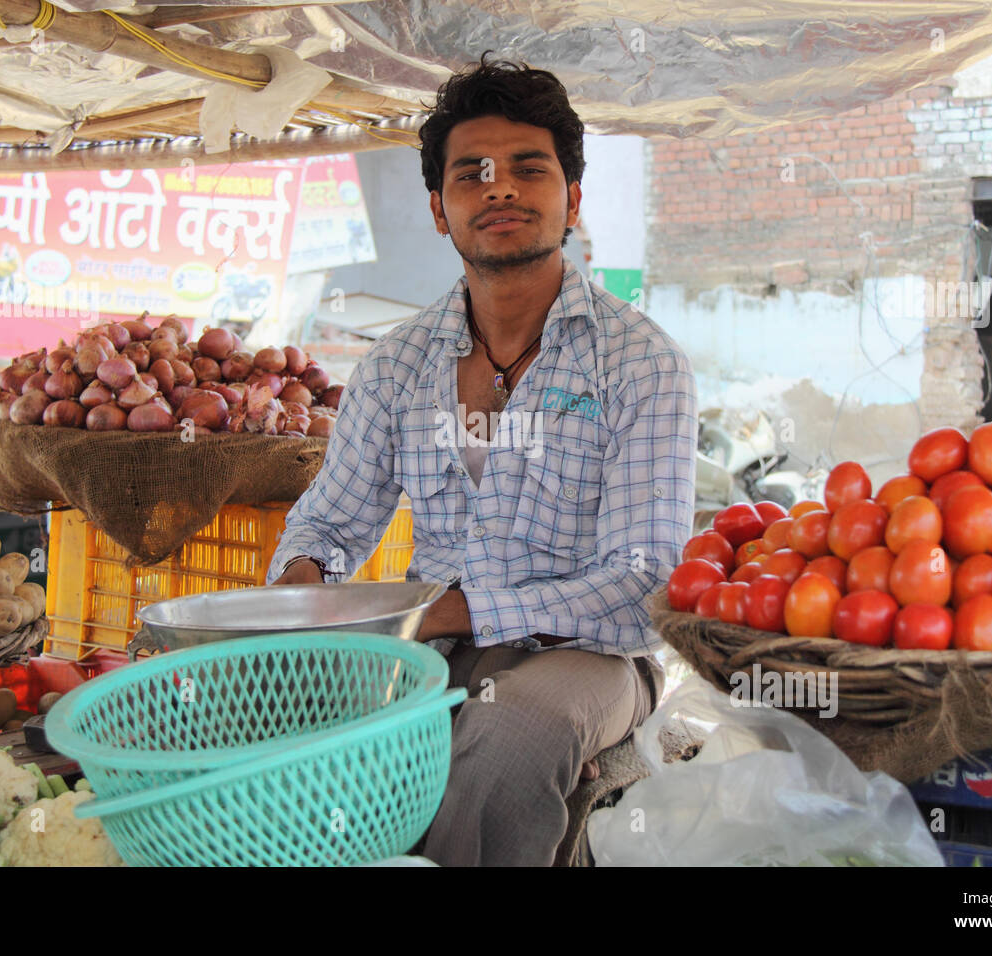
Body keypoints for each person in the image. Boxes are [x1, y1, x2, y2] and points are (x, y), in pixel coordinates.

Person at [268, 53, 697, 866]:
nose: (500, 188)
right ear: (440, 209)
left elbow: (644, 579)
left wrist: (456, 613)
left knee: (507, 735)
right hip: (430, 645)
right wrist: (303, 583)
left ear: (571, 197)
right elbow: (331, 517)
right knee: (303, 730)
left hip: (592, 658)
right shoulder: (396, 364)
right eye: (473, 174)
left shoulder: (641, 363)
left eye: (528, 169)